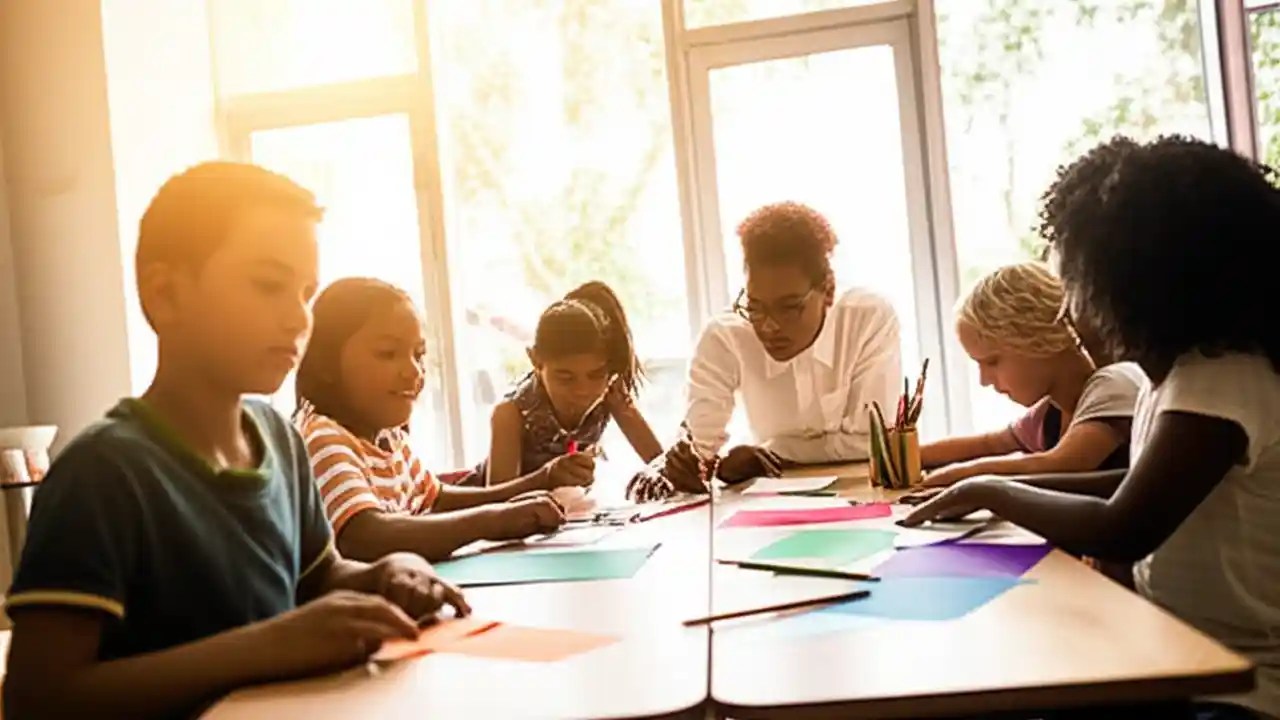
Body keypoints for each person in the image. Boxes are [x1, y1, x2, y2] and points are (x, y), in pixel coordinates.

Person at [3, 163, 469, 720]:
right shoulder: (104, 473)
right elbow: (37, 699)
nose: (299, 317)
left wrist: (382, 575)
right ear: (166, 294)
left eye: (305, 293)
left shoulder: (279, 440)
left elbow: (319, 577)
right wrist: (266, 647)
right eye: (269, 285)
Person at [903, 136, 1280, 720]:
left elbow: (1123, 526)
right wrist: (980, 493)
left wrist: (992, 490)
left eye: (1076, 284)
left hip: (1236, 692)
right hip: (1174, 658)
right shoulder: (1175, 377)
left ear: (1139, 282)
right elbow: (1131, 485)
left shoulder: (1224, 378)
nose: (1067, 309)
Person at [296, 278, 586, 562]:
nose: (413, 371)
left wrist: (541, 480)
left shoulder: (389, 438)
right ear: (325, 364)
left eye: (418, 354)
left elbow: (437, 499)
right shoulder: (323, 439)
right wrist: (489, 521)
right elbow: (363, 535)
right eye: (387, 353)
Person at [628, 201, 901, 500]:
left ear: (828, 290)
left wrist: (771, 449)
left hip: (864, 499)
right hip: (772, 505)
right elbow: (697, 451)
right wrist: (686, 465)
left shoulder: (867, 318)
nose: (769, 327)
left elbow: (876, 443)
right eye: (755, 307)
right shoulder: (726, 337)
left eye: (788, 308)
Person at [919, 261, 1146, 488]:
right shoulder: (1048, 415)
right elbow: (989, 444)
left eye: (992, 362)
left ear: (1035, 337)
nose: (984, 380)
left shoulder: (1115, 384)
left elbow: (1063, 465)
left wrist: (967, 476)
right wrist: (899, 458)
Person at [474, 281, 663, 485]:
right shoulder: (510, 414)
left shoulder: (611, 396)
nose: (582, 391)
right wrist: (546, 478)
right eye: (565, 378)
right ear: (535, 360)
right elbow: (498, 505)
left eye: (596, 375)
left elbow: (662, 466)